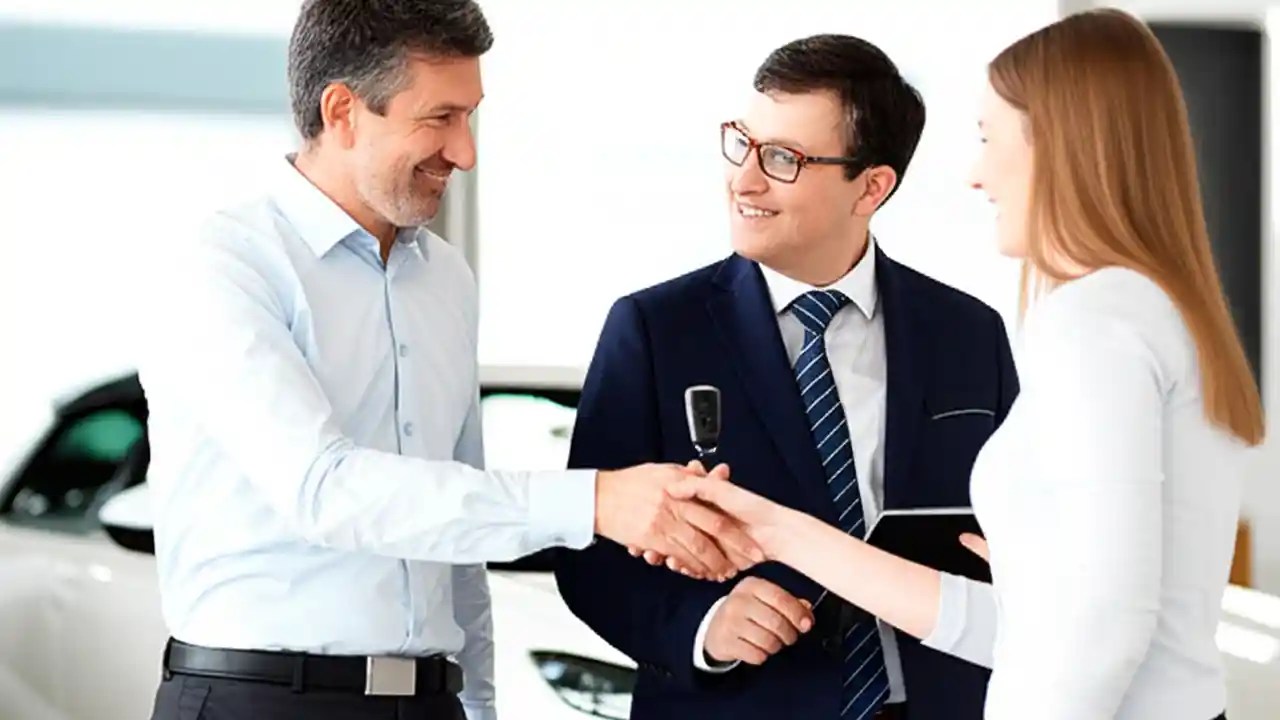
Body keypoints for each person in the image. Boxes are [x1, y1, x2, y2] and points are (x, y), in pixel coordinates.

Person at [136, 2, 759, 720]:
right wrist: (596, 501)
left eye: (471, 117)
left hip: (431, 701)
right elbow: (323, 490)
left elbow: (459, 542)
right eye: (440, 118)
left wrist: (479, 705)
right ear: (343, 111)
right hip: (261, 701)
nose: (465, 152)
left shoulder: (445, 278)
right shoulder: (226, 266)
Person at [670, 9, 1265, 720]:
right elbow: (1031, 631)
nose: (976, 175)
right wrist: (770, 528)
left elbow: (1106, 630)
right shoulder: (1155, 310)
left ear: (1064, 147)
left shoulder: (1095, 325)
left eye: (989, 138)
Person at [554, 34, 1018, 720]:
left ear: (872, 186)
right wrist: (703, 626)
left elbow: (1018, 535)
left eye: (783, 159)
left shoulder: (969, 333)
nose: (745, 179)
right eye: (742, 143)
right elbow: (585, 551)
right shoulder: (655, 329)